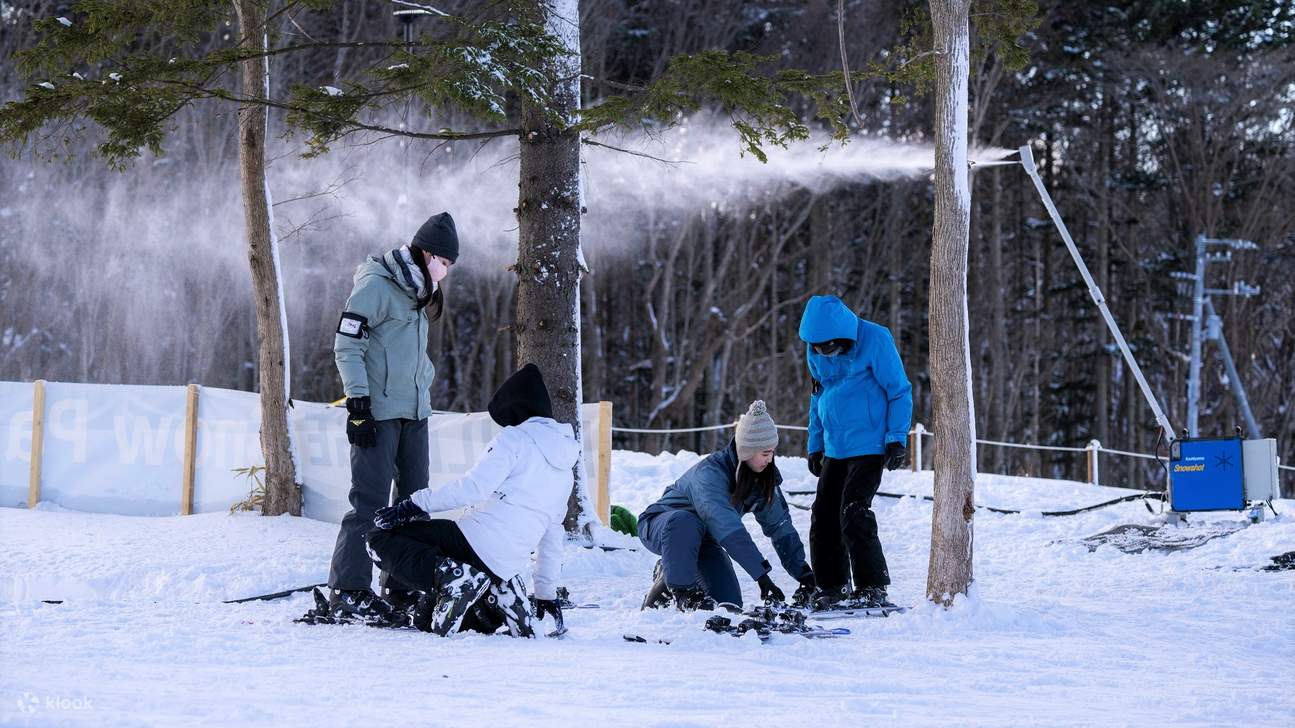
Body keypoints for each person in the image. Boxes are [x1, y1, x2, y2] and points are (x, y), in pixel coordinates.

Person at [364, 363, 577, 637]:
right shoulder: (565, 469)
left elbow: (472, 488)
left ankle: (453, 578)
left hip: (476, 541)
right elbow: (552, 534)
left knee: (378, 539)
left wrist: (413, 505)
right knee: (424, 621)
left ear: (516, 409)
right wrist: (546, 592)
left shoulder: (515, 439)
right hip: (505, 563)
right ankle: (500, 593)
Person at [326, 211, 458, 617]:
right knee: (369, 501)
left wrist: (424, 378)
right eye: (444, 262)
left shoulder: (418, 290)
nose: (445, 270)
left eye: (450, 265)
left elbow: (408, 352)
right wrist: (359, 404)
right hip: (378, 413)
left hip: (414, 411)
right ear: (425, 253)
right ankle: (348, 590)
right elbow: (347, 346)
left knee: (415, 502)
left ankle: (402, 587)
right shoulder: (375, 286)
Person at [637, 401, 814, 611]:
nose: (770, 459)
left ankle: (679, 570)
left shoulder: (760, 479)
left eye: (772, 453)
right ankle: (678, 585)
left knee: (728, 604)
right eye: (765, 453)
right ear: (747, 451)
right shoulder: (710, 475)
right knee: (685, 521)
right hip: (664, 527)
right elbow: (727, 527)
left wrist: (803, 574)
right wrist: (762, 576)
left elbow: (780, 526)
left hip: (704, 540)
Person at [798, 295, 913, 608]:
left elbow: (899, 391)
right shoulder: (815, 352)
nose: (825, 354)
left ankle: (872, 586)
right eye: (818, 347)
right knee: (822, 516)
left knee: (854, 512)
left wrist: (896, 437)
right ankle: (831, 586)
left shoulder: (876, 339)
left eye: (830, 347)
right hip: (835, 448)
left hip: (870, 446)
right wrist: (815, 444)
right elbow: (817, 398)